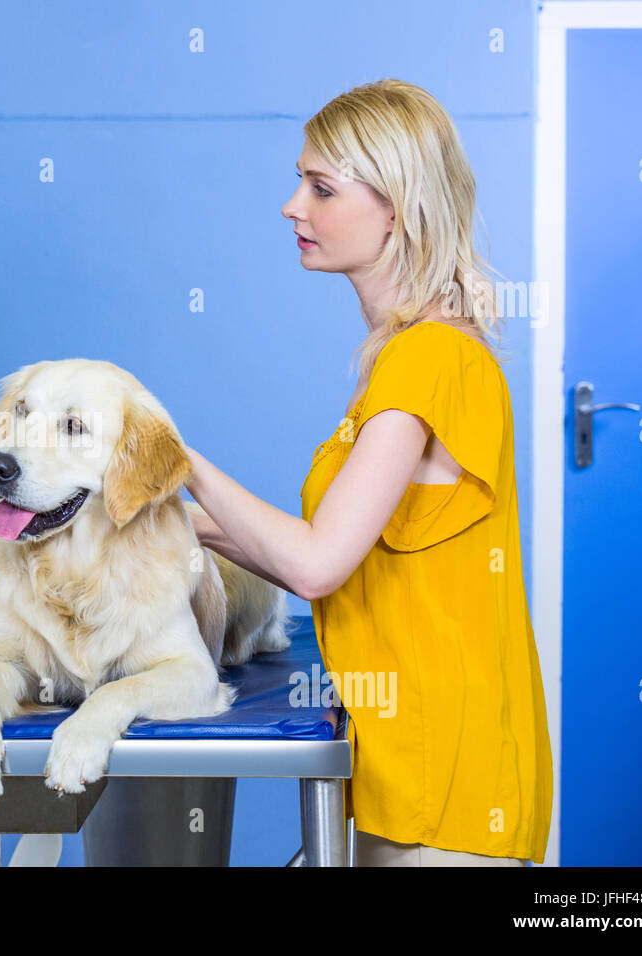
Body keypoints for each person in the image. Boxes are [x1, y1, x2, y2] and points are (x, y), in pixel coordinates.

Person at [183, 79, 553, 867]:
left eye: (321, 187)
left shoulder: (430, 359)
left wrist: (174, 458)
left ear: (401, 207)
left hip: (446, 785)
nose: (292, 206)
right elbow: (329, 550)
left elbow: (314, 563)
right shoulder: (401, 357)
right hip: (405, 763)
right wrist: (167, 518)